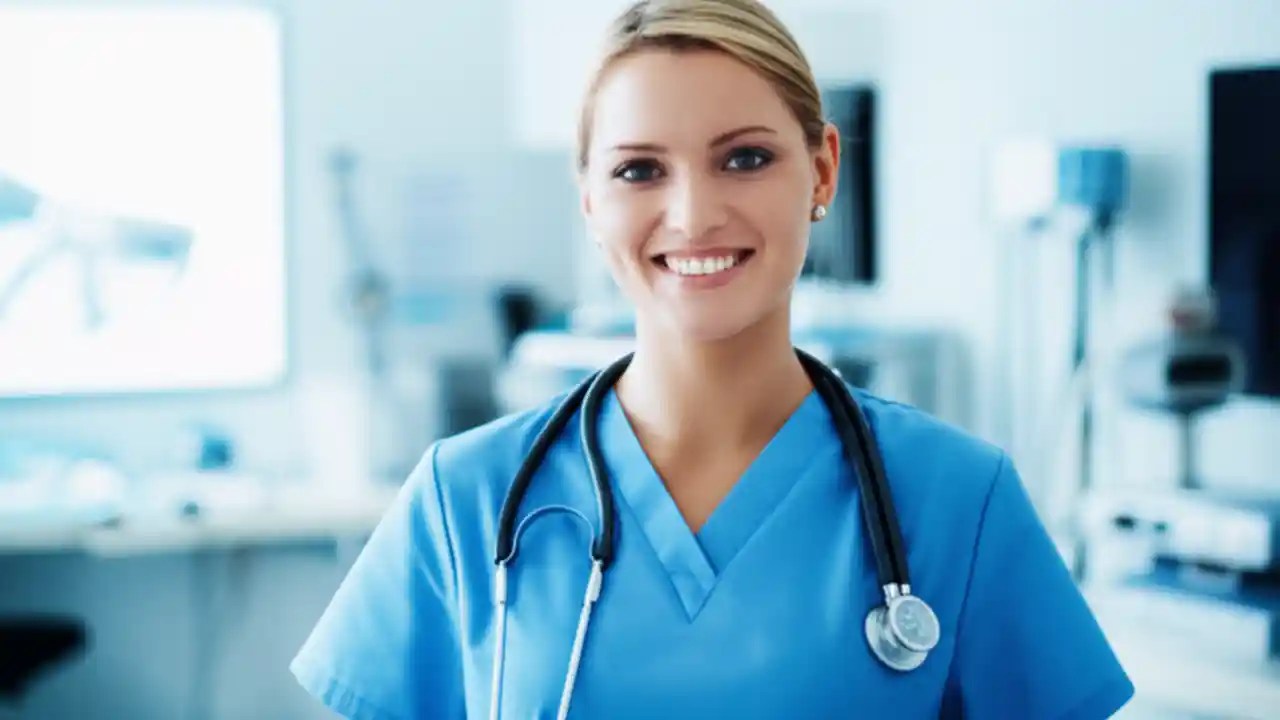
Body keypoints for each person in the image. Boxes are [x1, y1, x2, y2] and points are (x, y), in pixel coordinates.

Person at [290, 1, 1135, 717]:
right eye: (639, 170)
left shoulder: (957, 498)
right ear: (589, 199)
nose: (693, 215)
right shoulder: (463, 499)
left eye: (744, 158)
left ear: (822, 169)